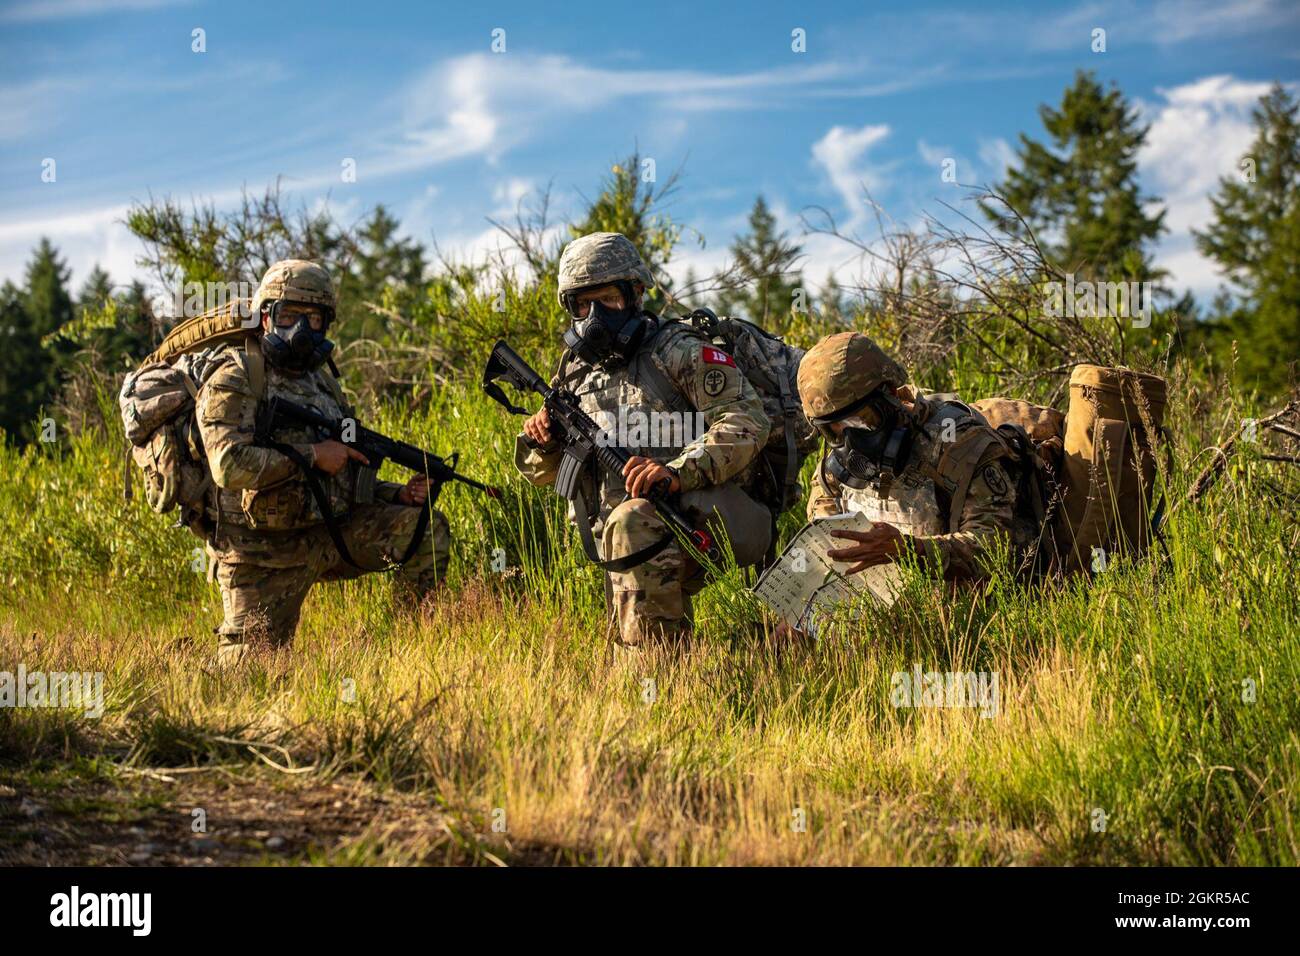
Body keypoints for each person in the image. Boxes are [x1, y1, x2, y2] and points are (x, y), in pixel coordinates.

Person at [515, 232, 772, 655]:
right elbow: (543, 475)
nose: (595, 317)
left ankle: (659, 683)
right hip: (617, 538)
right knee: (623, 536)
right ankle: (652, 681)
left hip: (710, 517)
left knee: (632, 522)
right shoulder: (575, 373)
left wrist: (676, 473)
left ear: (635, 293)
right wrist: (540, 440)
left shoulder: (680, 352)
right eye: (583, 304)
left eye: (608, 301)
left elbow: (748, 421)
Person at [196, 259, 450, 662]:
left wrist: (396, 495)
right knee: (249, 673)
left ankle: (408, 653)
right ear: (266, 318)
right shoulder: (236, 376)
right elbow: (228, 465)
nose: (301, 329)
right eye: (289, 315)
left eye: (312, 318)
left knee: (423, 528)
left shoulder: (323, 383)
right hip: (262, 553)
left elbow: (344, 466)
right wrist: (312, 456)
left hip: (329, 533)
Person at [797, 331, 1032, 581]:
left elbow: (994, 551)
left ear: (890, 394)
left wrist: (909, 550)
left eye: (861, 420)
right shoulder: (837, 466)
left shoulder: (960, 447)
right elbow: (822, 530)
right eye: (834, 429)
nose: (852, 442)